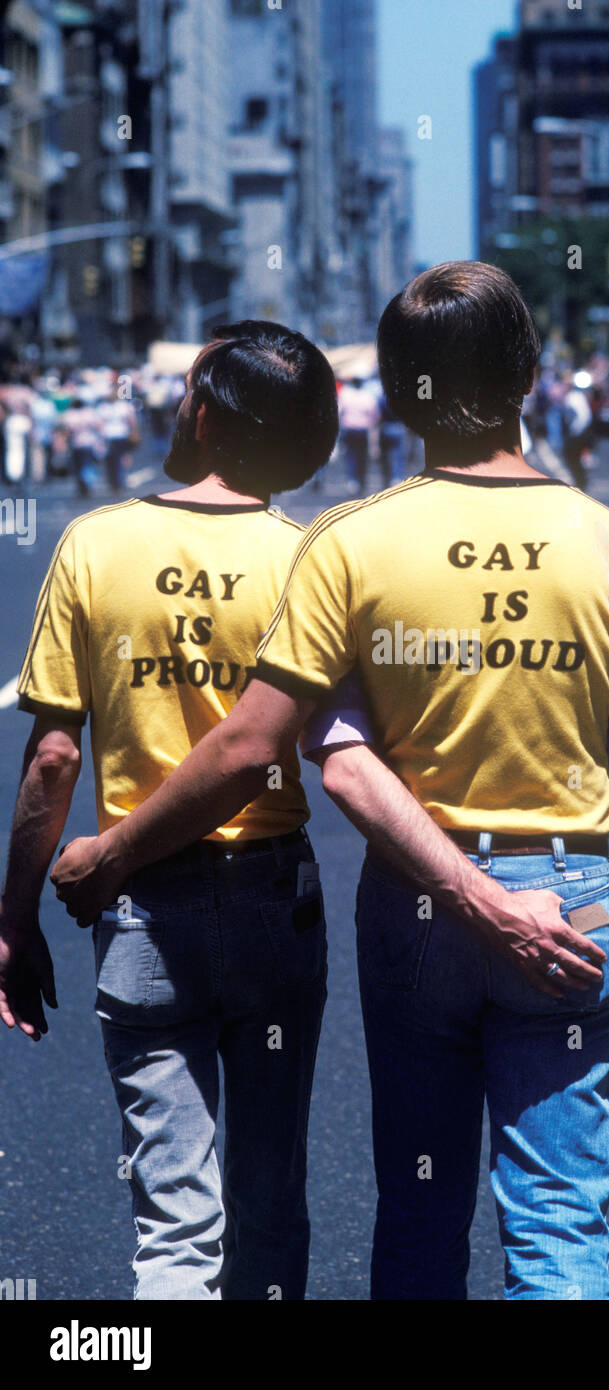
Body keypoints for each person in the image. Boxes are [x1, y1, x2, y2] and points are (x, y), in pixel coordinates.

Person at [49, 263, 609, 1302]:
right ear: (529, 373)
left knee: (420, 1212)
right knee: (559, 1228)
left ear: (400, 386)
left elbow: (303, 753)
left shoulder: (351, 544)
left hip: (420, 906)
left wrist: (109, 851)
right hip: (572, 910)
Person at [0, 321, 343, 1300]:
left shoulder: (96, 543)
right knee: (269, 1203)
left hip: (145, 905)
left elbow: (54, 756)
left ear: (200, 412)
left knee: (175, 1230)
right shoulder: (308, 557)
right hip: (277, 898)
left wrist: (14, 917)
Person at [337, 376, 380, 494]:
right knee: (362, 457)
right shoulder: (367, 397)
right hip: (363, 430)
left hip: (349, 429)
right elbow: (374, 414)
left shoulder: (346, 396)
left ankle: (352, 479)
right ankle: (361, 479)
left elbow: (340, 411)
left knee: (351, 455)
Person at [98, 384, 140, 492]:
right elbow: (100, 423)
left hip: (121, 436)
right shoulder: (105, 407)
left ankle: (120, 480)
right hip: (110, 437)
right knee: (111, 461)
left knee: (121, 459)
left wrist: (134, 432)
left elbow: (131, 420)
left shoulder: (123, 406)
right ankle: (115, 482)